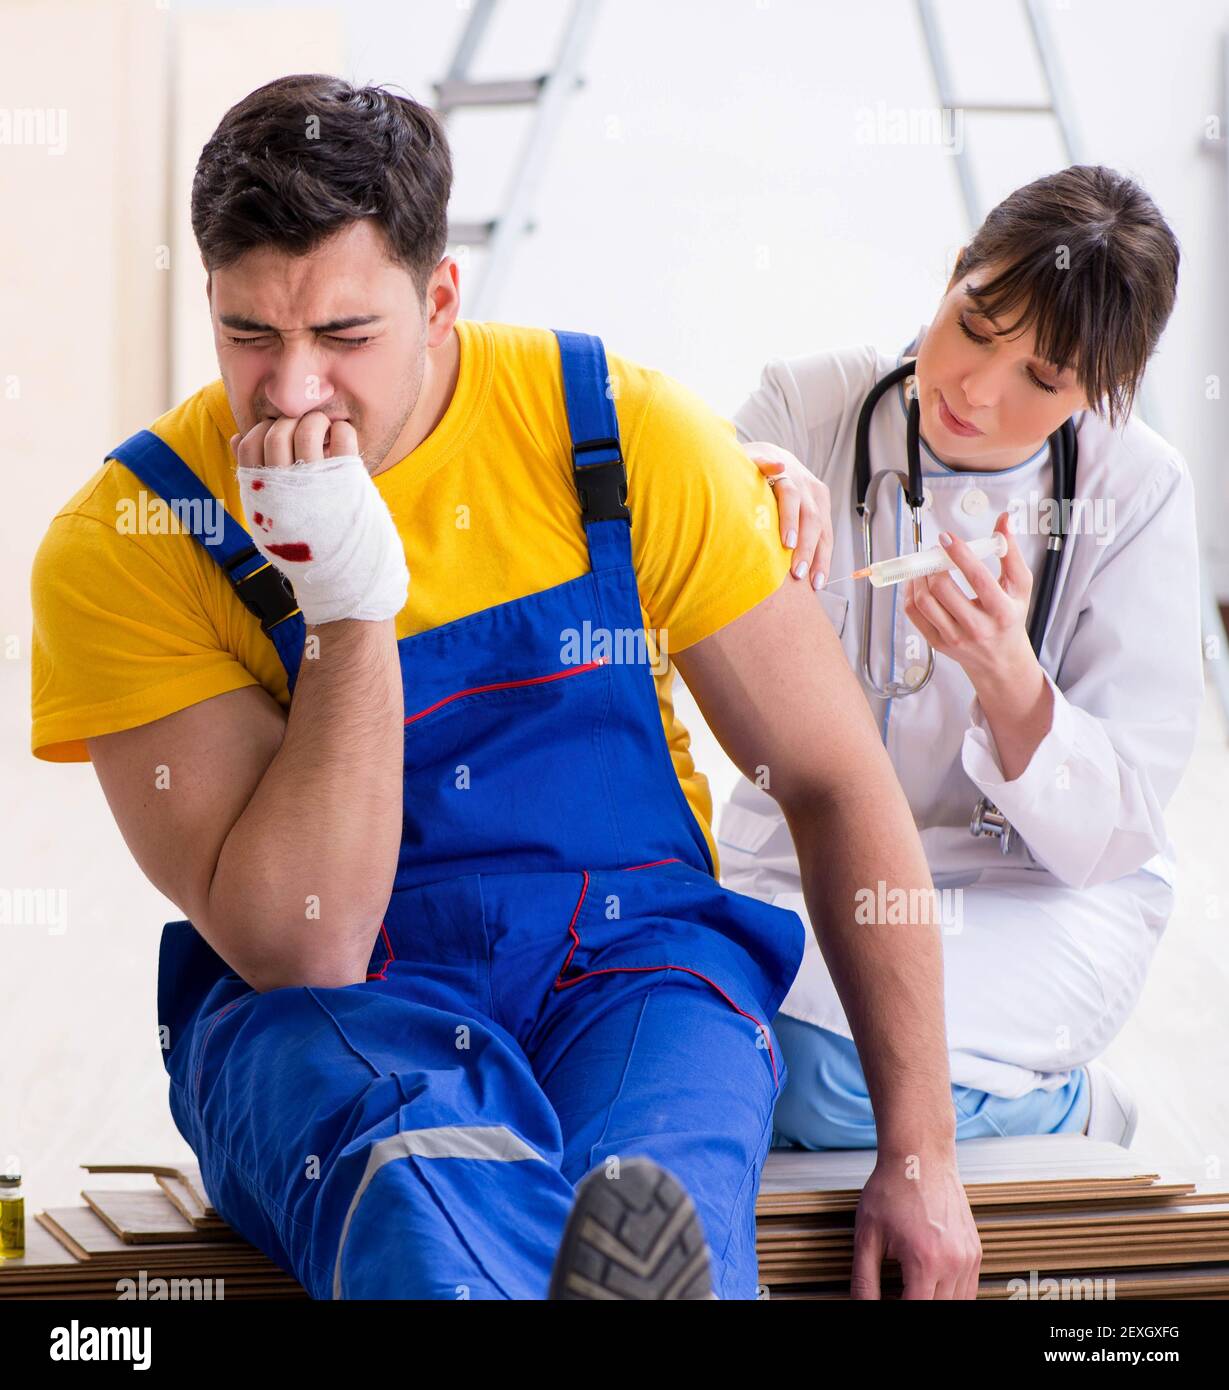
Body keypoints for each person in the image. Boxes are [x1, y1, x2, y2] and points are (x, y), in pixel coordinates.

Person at [30, 74, 981, 1299]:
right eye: (248, 335)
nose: (292, 389)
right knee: (420, 1181)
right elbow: (304, 942)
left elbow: (832, 777)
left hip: (633, 966)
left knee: (660, 1198)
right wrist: (346, 603)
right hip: (344, 1011)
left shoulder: (616, 437)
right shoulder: (133, 540)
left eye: (344, 336)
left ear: (439, 301)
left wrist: (918, 1151)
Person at [719, 165, 1203, 1154]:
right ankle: (1005, 1098)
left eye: (1041, 379)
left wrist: (1008, 678)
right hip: (801, 867)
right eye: (975, 325)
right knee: (698, 1033)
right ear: (951, 275)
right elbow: (648, 568)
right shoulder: (803, 408)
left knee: (822, 1075)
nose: (973, 391)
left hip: (1034, 896)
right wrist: (730, 495)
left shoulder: (1139, 491)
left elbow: (1117, 824)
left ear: (1099, 393)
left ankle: (1068, 1107)